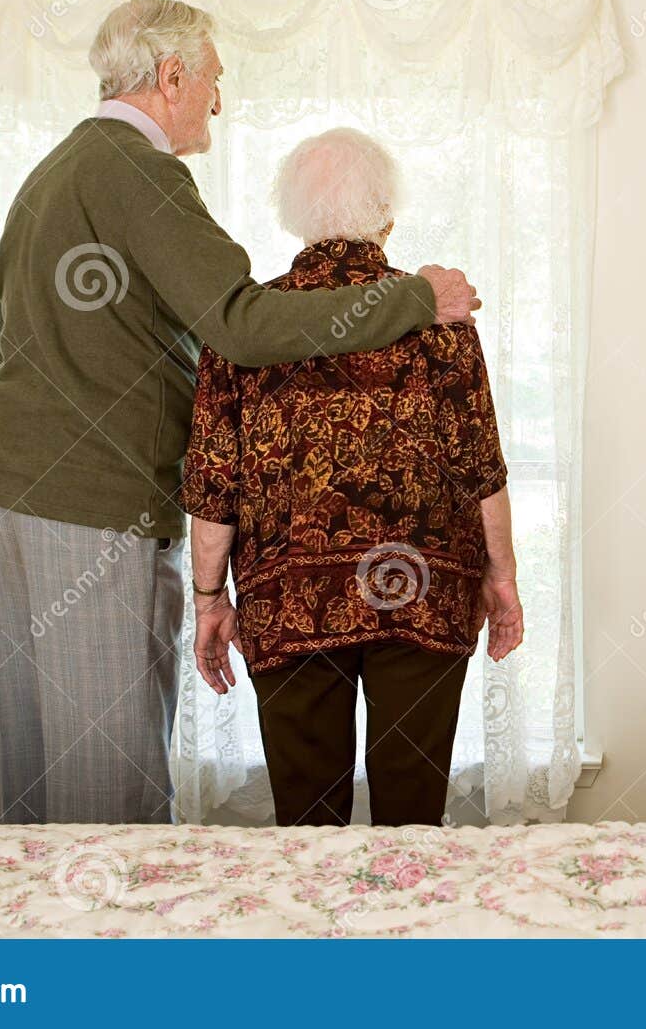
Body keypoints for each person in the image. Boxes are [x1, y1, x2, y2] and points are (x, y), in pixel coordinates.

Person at [0, 0, 480, 825]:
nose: (217, 100)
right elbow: (243, 323)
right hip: (87, 503)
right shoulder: (137, 169)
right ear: (172, 77)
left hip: (5, 492)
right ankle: (111, 952)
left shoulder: (56, 170)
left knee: (34, 785)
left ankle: (44, 946)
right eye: (213, 80)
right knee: (110, 792)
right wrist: (414, 296)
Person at [182, 127, 523, 827]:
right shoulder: (439, 314)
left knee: (308, 826)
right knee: (411, 821)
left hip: (291, 595)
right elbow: (479, 460)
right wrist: (502, 576)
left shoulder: (246, 327)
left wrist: (209, 597)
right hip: (423, 593)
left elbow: (213, 482)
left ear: (294, 218)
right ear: (386, 219)